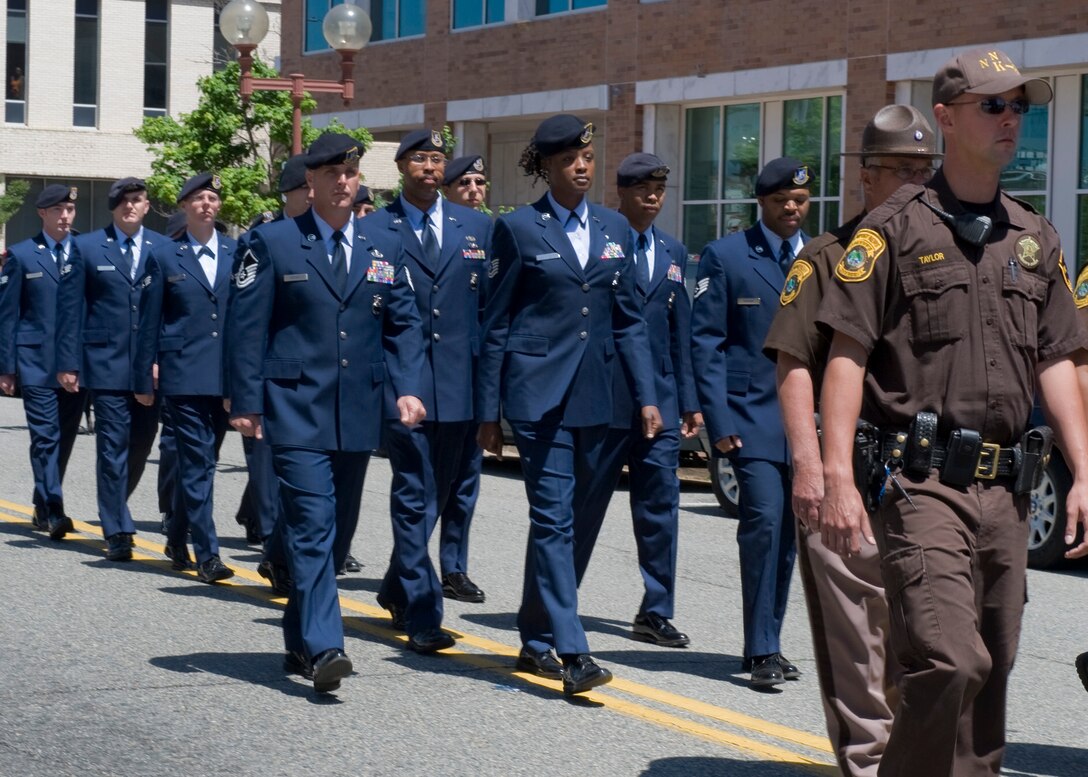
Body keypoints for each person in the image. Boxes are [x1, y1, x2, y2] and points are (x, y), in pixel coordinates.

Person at [816, 48, 1088, 776]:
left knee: (991, 674)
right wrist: (836, 474)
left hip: (1006, 488)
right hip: (921, 482)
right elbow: (845, 357)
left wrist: (1086, 470)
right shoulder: (893, 230)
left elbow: (1058, 357)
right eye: (992, 106)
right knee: (948, 659)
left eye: (1018, 107)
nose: (1011, 120)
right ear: (945, 117)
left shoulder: (1033, 238)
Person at [763, 105, 940, 775]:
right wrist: (809, 467)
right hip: (855, 475)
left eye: (928, 170)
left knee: (932, 645)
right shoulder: (827, 258)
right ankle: (870, 765)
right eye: (903, 170)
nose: (920, 183)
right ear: (867, 177)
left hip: (935, 484)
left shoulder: (953, 255)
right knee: (860, 652)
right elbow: (793, 364)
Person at [227, 132, 426, 694]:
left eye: (352, 173)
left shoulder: (382, 250)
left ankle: (298, 638)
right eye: (332, 173)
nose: (343, 182)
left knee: (334, 537)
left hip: (358, 411)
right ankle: (325, 647)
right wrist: (245, 402)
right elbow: (247, 329)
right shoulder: (273, 242)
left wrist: (408, 387)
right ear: (309, 181)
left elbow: (403, 322)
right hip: (294, 408)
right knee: (313, 529)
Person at [477, 114, 662, 696]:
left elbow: (631, 321)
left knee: (577, 525)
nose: (582, 166)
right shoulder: (519, 229)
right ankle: (572, 651)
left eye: (587, 157)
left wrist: (649, 398)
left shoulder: (615, 228)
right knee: (552, 520)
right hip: (539, 397)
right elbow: (496, 324)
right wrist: (490, 412)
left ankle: (534, 637)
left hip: (604, 397)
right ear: (547, 168)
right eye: (569, 161)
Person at [368, 128, 493, 654]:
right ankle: (422, 612)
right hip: (405, 386)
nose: (429, 167)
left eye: (437, 159)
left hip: (461, 389)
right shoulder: (375, 227)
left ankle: (395, 585)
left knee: (441, 496)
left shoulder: (478, 227)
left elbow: (489, 312)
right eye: (419, 159)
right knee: (414, 495)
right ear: (400, 167)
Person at [690, 157, 811, 688]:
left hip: (802, 422)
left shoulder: (821, 257)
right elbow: (707, 342)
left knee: (788, 534)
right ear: (761, 202)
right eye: (782, 200)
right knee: (762, 523)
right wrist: (716, 421)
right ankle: (760, 648)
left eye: (801, 200)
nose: (792, 208)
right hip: (748, 416)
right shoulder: (727, 255)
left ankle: (770, 641)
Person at [575, 153, 701, 647]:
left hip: (662, 400)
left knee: (660, 508)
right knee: (585, 505)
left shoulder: (672, 251)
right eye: (642, 189)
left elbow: (680, 331)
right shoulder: (601, 242)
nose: (652, 198)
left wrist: (689, 400)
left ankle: (655, 609)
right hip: (608, 396)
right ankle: (559, 603)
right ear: (622, 193)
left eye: (659, 189)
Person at [56, 177, 166, 561]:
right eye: (123, 201)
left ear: (147, 206)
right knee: (112, 446)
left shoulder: (163, 248)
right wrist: (68, 363)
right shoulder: (85, 247)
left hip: (148, 368)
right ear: (113, 207)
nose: (130, 206)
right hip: (104, 363)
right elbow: (71, 310)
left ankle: (117, 503)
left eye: (137, 200)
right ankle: (117, 526)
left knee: (141, 444)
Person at [135, 173, 236, 583]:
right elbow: (148, 322)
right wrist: (145, 376)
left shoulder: (237, 251)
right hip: (183, 374)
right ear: (184, 207)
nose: (207, 204)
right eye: (199, 198)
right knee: (198, 464)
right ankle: (208, 554)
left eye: (213, 198)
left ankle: (176, 534)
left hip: (226, 376)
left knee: (204, 460)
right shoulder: (164, 255)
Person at [0, 184, 85, 539]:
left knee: (63, 439)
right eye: (58, 210)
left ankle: (41, 502)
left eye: (69, 209)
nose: (65, 216)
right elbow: (8, 315)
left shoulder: (85, 252)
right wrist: (6, 368)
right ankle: (54, 509)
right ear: (42, 214)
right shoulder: (21, 255)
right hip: (35, 362)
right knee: (46, 437)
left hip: (77, 365)